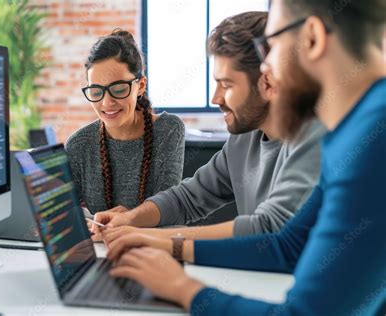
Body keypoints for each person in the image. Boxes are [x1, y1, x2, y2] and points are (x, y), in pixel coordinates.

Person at [105, 0, 386, 314]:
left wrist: (184, 289)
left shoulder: (372, 137)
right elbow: (287, 246)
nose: (266, 67)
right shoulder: (355, 129)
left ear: (312, 38)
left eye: (275, 42)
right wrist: (164, 245)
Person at [93, 12, 325, 242]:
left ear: (267, 80)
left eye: (226, 85)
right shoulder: (244, 138)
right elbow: (188, 198)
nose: (216, 98)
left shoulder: (315, 135)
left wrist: (155, 239)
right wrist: (130, 219)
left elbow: (269, 228)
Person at [65, 29, 185, 214]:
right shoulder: (78, 145)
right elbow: (71, 215)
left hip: (156, 242)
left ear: (141, 86)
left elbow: (167, 210)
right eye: (96, 92)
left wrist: (124, 221)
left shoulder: (168, 129)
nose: (106, 103)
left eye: (119, 89)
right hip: (101, 243)